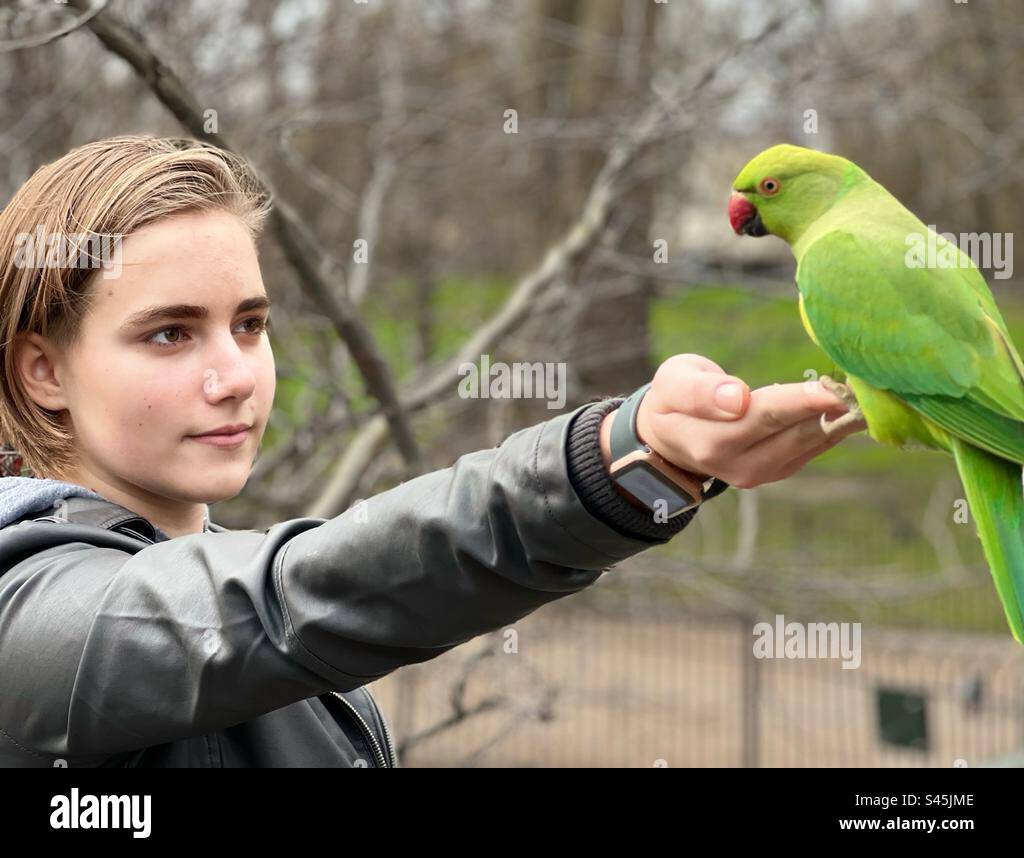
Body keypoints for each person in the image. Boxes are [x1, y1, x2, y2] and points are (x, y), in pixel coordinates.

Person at [0, 136, 863, 767]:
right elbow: (280, 604)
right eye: (168, 335)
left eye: (251, 325)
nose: (235, 377)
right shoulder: (27, 614)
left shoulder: (280, 643)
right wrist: (618, 460)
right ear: (43, 370)